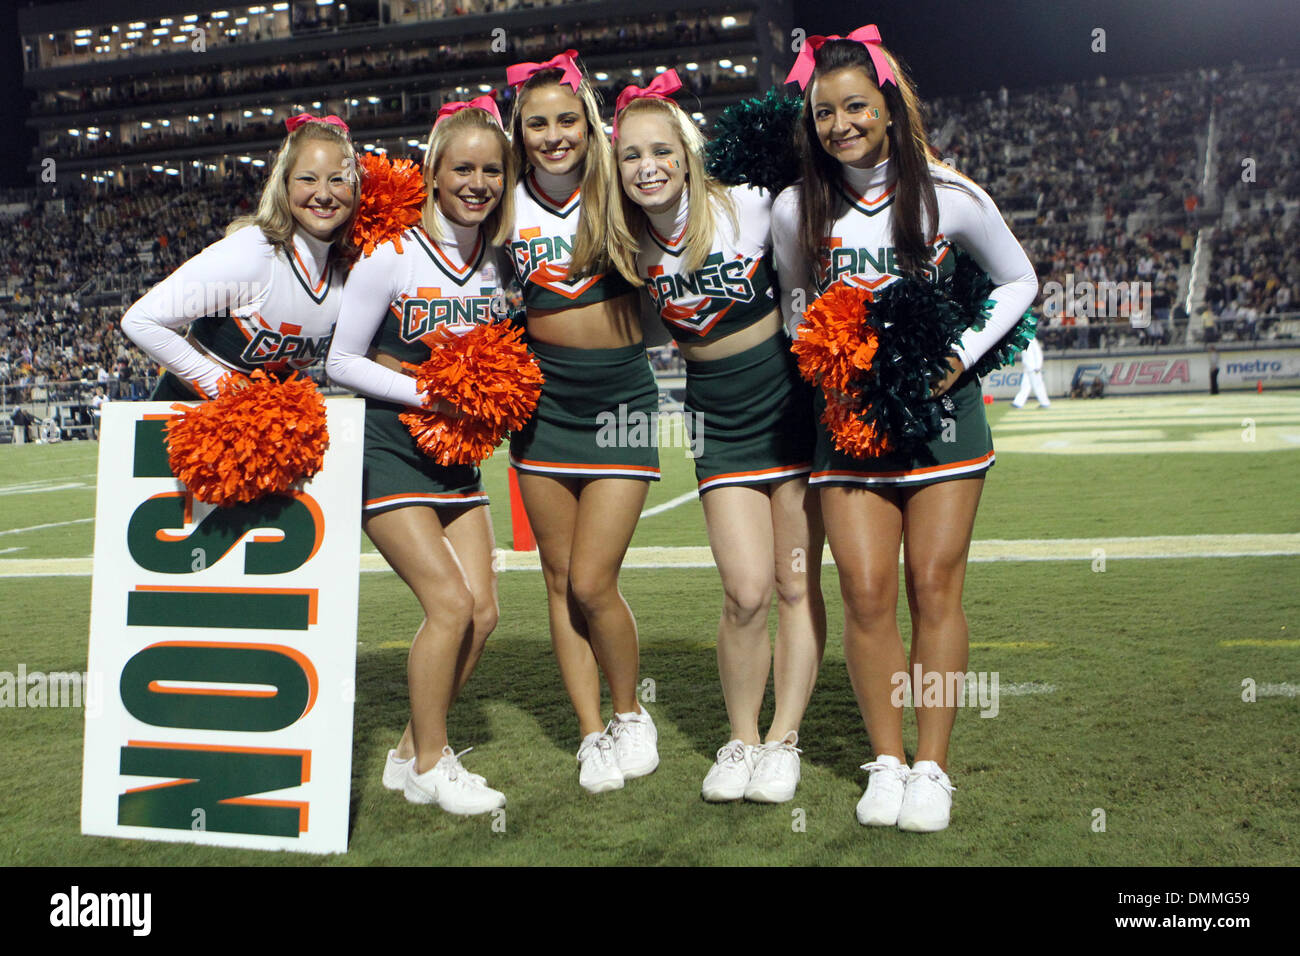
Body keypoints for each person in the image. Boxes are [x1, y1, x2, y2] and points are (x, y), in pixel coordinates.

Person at [772, 28, 1037, 832]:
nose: (841, 124)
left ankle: (932, 766)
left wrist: (957, 356)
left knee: (934, 588)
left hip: (940, 422)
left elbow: (1019, 277)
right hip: (847, 423)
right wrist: (821, 357)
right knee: (864, 591)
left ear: (887, 106)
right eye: (824, 113)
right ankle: (885, 762)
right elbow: (791, 302)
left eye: (855, 106)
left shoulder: (950, 194)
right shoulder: (796, 208)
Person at [607, 77, 827, 803]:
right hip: (718, 424)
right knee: (743, 592)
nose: (647, 165)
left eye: (661, 150)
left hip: (789, 412)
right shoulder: (626, 241)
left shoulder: (753, 206)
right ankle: (739, 740)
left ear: (687, 152)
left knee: (795, 583)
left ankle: (783, 740)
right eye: (632, 153)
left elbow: (801, 296)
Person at [326, 99, 515, 815]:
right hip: (390, 450)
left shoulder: (494, 263)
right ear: (433, 173)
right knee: (449, 604)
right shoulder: (392, 254)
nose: (478, 182)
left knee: (485, 613)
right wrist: (432, 392)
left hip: (457, 462)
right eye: (462, 168)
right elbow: (341, 360)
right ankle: (436, 763)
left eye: (492, 170)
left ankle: (408, 754)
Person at [504, 50, 659, 793]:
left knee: (596, 580)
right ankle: (590, 734)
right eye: (537, 123)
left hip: (622, 401)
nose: (554, 134)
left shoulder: (619, 187)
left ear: (591, 123)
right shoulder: (501, 200)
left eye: (567, 119)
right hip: (542, 407)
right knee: (560, 578)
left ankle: (631, 712)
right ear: (519, 130)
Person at [122, 115, 359, 400]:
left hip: (264, 432)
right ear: (283, 183)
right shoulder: (253, 252)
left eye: (338, 180)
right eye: (308, 179)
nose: (323, 194)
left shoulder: (345, 268)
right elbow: (141, 320)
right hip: (187, 424)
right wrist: (225, 387)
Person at [1010, 337, 1050, 408]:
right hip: (1028, 367)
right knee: (1025, 385)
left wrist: (1038, 366)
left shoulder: (1032, 340)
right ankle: (1018, 403)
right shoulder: (1024, 340)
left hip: (1034, 368)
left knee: (1038, 385)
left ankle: (1045, 403)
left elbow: (1038, 353)